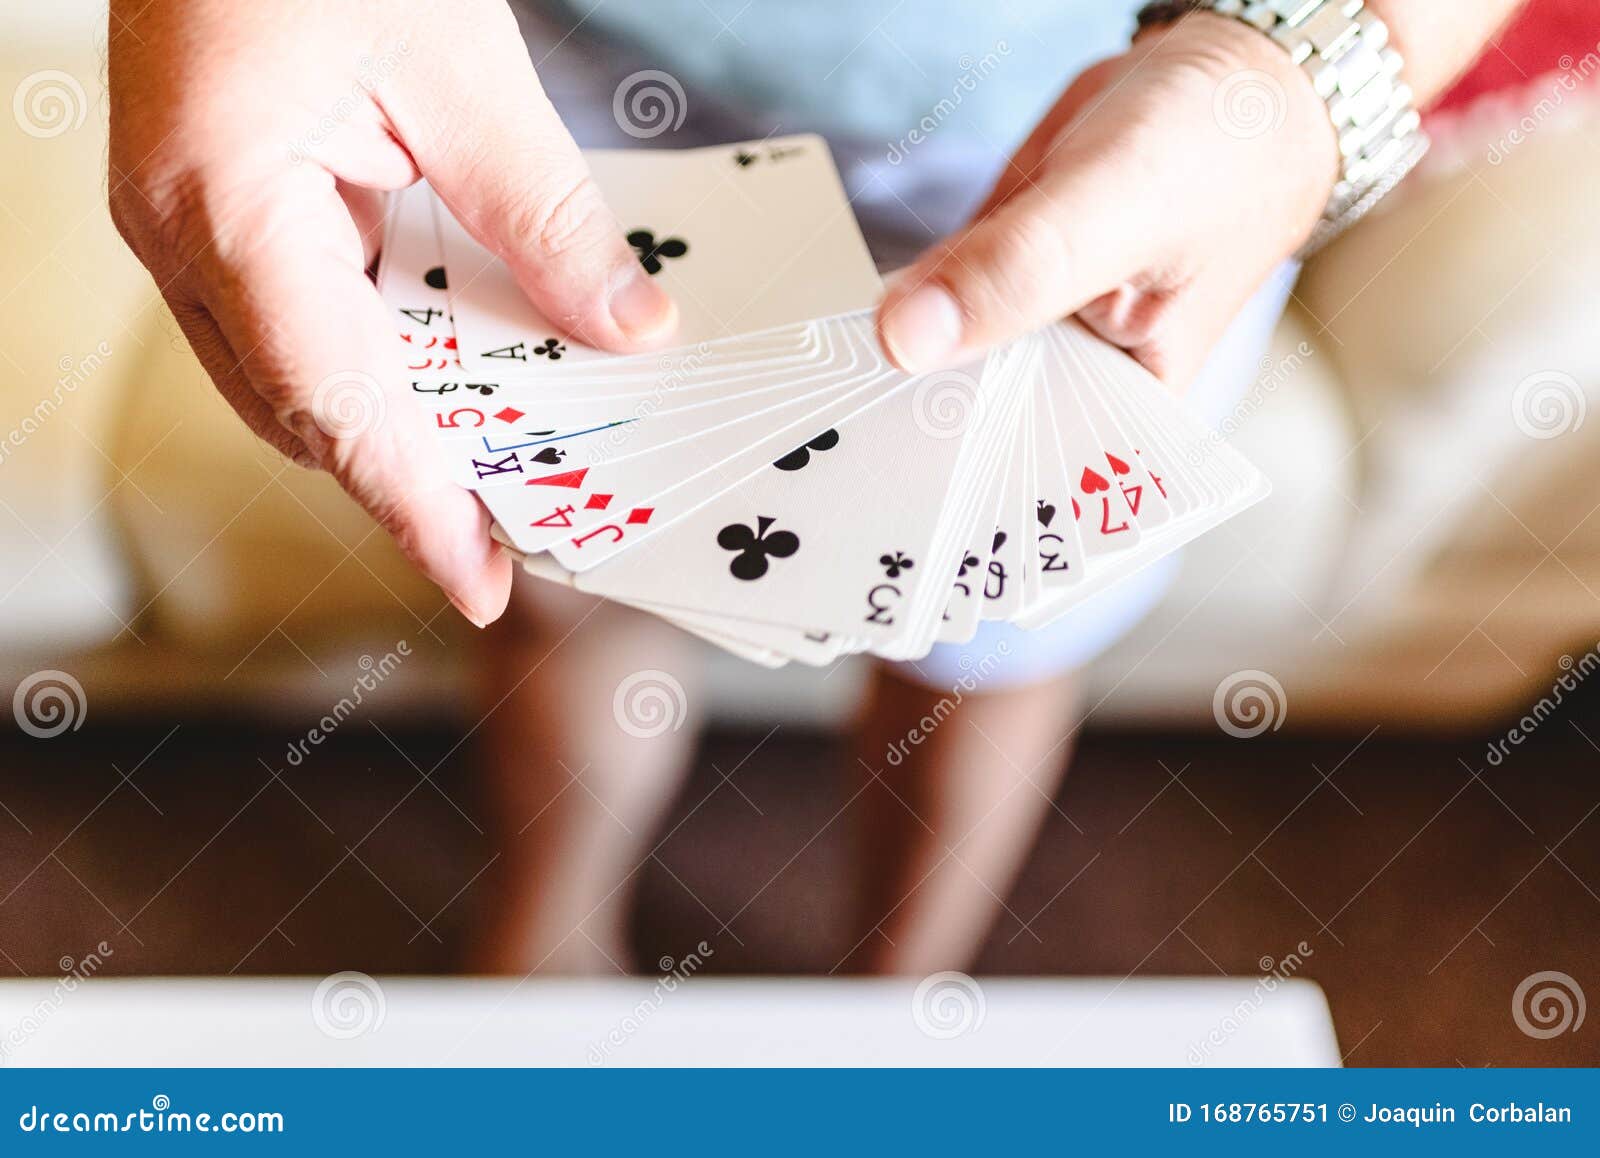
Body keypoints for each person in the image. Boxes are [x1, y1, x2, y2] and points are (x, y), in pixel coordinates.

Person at [108, 0, 1520, 975]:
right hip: (562, 75)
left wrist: (1308, 76)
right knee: (570, 576)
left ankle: (898, 988)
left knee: (993, 636)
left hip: (1109, 99)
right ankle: (552, 923)